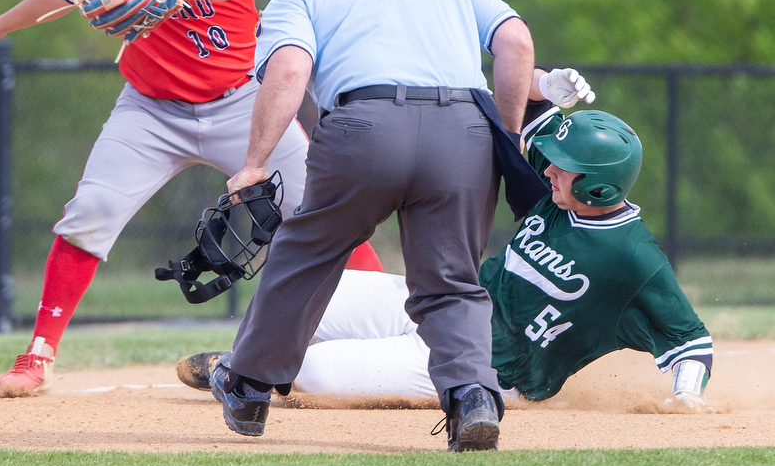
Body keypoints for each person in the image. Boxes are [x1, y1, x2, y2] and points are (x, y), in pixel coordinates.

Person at [0, 0, 380, 397]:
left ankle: (396, 339)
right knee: (89, 213)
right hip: (149, 109)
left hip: (240, 102)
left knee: (325, 208)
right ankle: (37, 356)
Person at [205, 0, 545, 451]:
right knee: (452, 280)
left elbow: (290, 70)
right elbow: (518, 45)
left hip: (365, 127)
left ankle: (248, 387)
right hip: (463, 129)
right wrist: (503, 135)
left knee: (308, 254)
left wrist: (254, 161)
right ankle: (473, 398)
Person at [181, 88, 715, 415]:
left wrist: (686, 396)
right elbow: (525, 112)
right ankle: (251, 361)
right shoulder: (562, 197)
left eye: (563, 165)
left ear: (598, 187)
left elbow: (689, 340)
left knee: (314, 375)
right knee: (300, 288)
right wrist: (542, 86)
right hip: (447, 298)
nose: (549, 167)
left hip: (476, 359)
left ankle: (248, 372)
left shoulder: (634, 259)